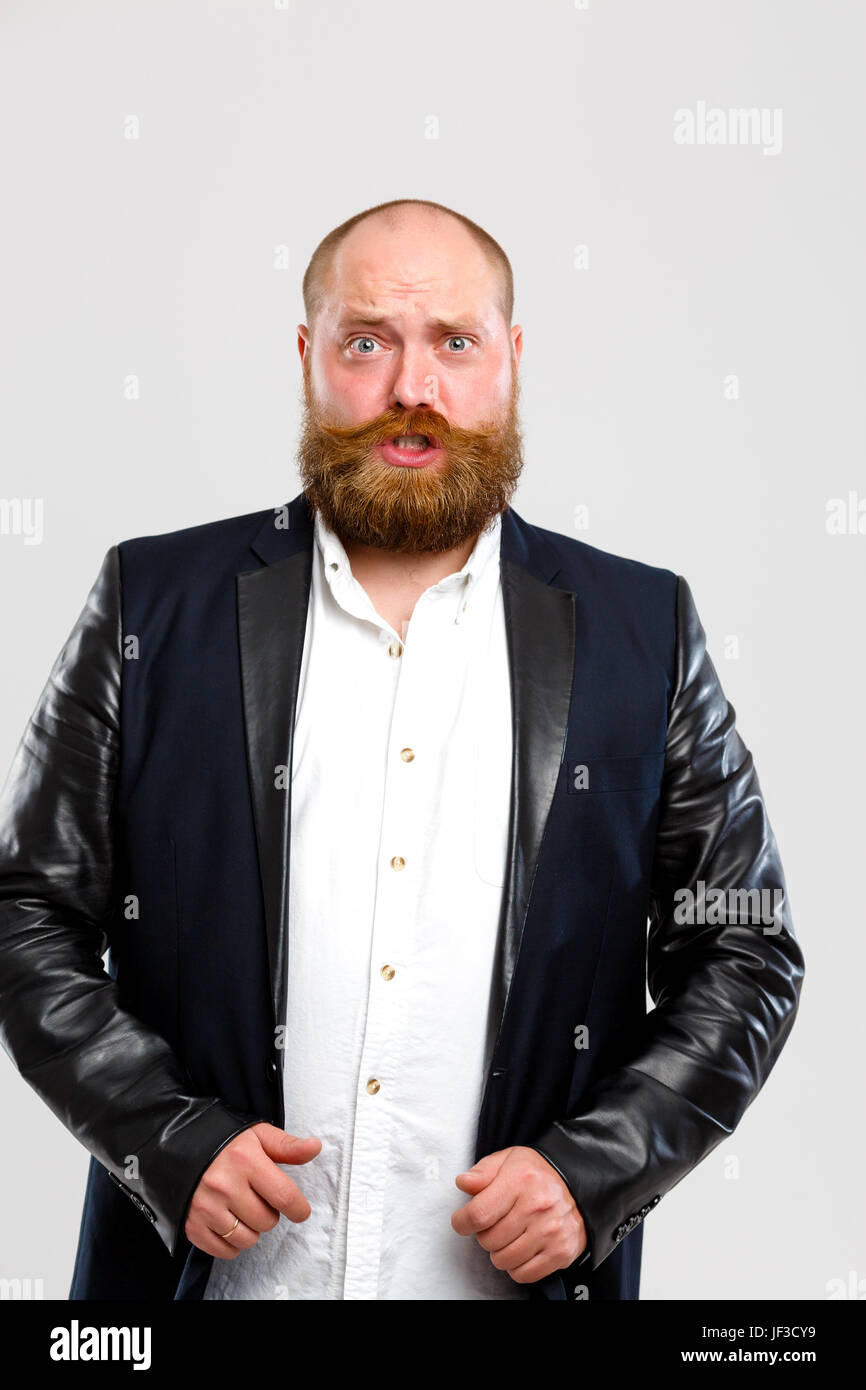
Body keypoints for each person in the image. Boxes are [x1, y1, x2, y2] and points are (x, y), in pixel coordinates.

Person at [0, 198, 804, 1301]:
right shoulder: (154, 604)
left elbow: (743, 941)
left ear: (511, 359)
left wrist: (594, 1171)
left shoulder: (639, 630)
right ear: (307, 357)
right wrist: (167, 1139)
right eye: (366, 342)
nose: (412, 390)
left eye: (454, 343)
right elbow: (29, 909)